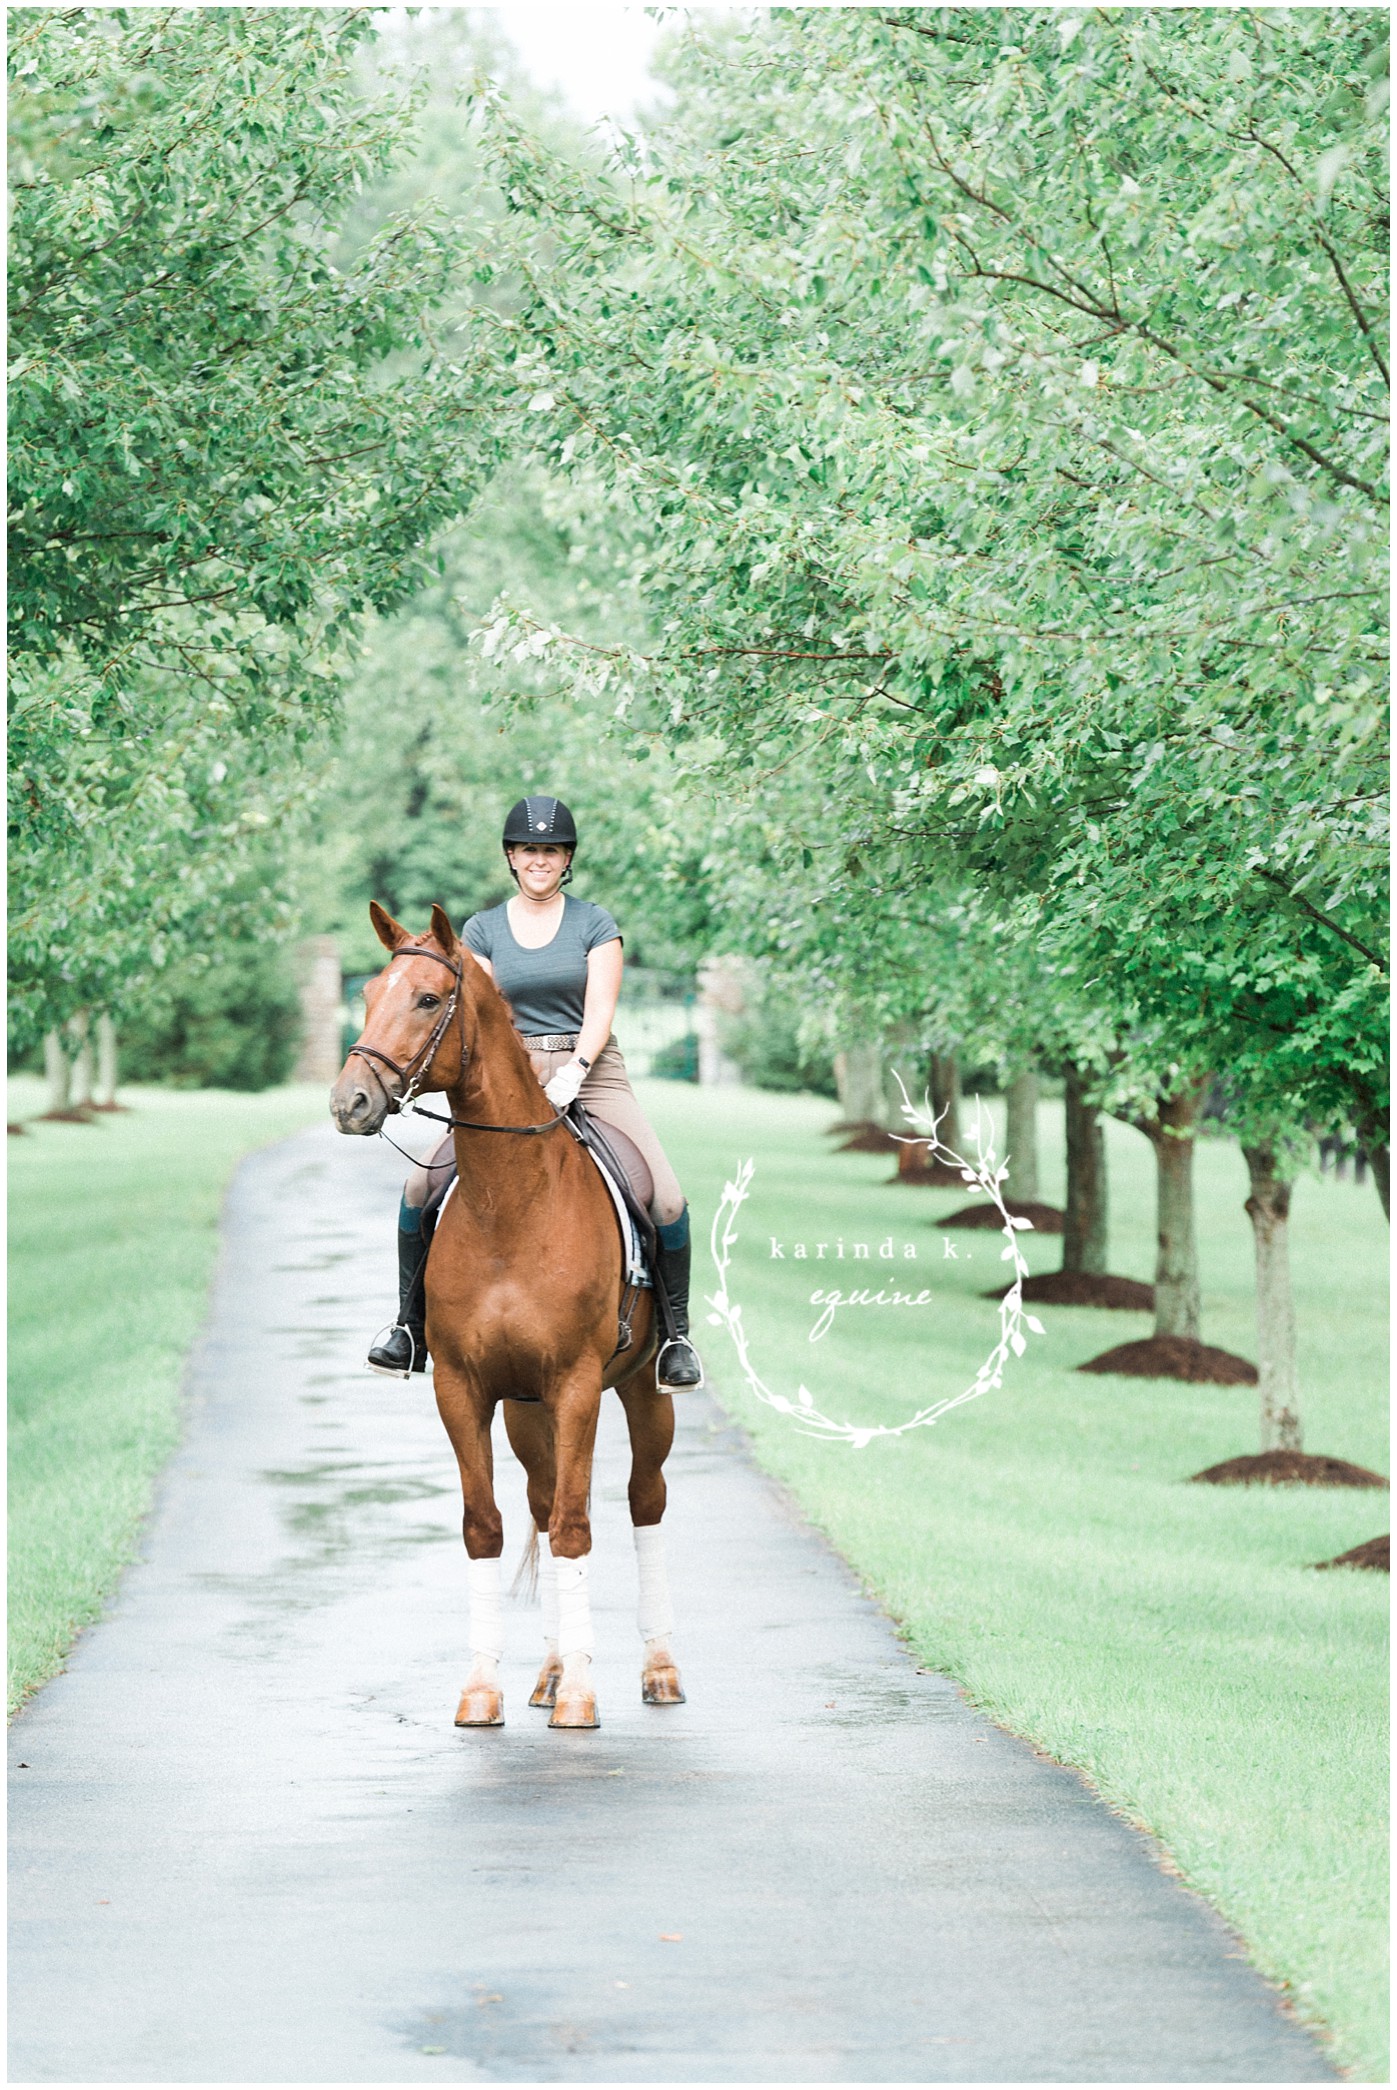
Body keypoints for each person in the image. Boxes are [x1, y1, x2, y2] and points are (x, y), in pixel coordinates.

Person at [366, 793, 704, 1392]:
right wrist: (518, 1076)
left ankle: (674, 1336)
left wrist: (575, 1069)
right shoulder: (482, 930)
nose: (539, 860)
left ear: (566, 857)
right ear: (512, 857)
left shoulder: (594, 924)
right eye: (528, 850)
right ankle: (408, 1327)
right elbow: (487, 1017)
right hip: (513, 1073)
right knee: (421, 1186)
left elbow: (600, 1009)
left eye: (551, 850)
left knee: (666, 1198)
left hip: (591, 1069)